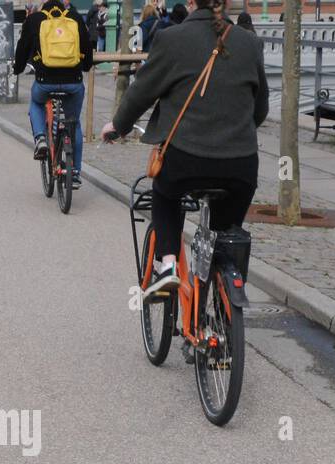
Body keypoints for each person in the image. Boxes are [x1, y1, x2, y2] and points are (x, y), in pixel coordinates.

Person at [101, 0, 268, 296]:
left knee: (164, 195)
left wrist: (118, 126)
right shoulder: (250, 43)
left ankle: (167, 266)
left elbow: (141, 92)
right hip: (241, 166)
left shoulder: (171, 39)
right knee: (223, 232)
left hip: (185, 160)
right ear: (226, 3)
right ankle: (221, 303)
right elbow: (260, 110)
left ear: (192, 2)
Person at [14, 0, 95, 188]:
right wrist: (85, 65)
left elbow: (22, 47)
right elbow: (87, 47)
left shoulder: (34, 20)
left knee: (36, 103)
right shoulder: (74, 18)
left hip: (44, 82)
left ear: (43, 5)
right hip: (73, 82)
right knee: (73, 123)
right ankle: (74, 173)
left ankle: (41, 138)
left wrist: (17, 68)